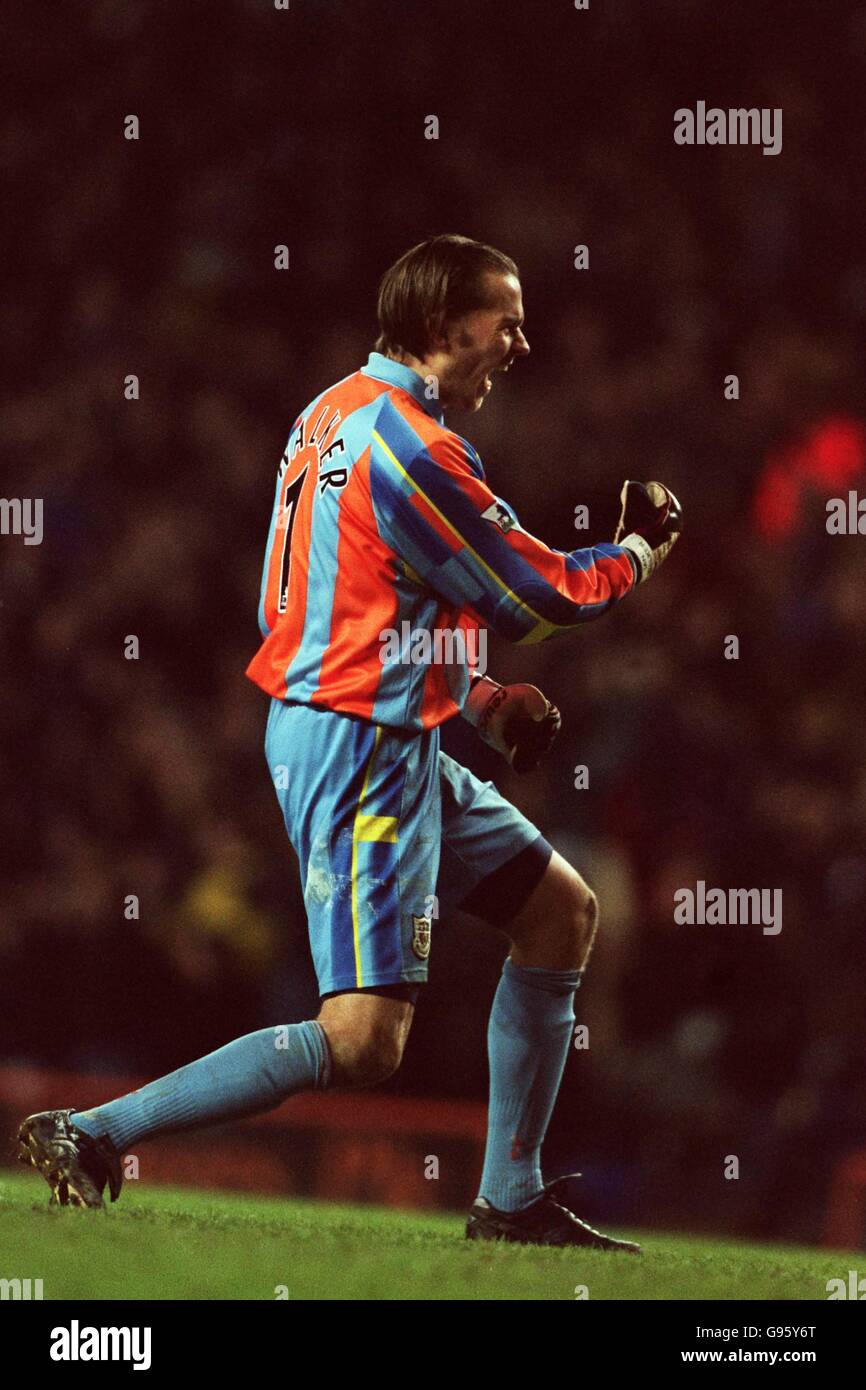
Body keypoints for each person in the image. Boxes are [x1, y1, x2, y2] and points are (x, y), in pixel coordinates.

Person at [17, 235, 680, 1248]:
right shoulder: (412, 444)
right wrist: (634, 550)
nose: (520, 339)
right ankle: (95, 1132)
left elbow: (371, 593)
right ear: (444, 324)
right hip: (357, 748)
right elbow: (536, 591)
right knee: (363, 1040)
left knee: (558, 913)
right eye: (504, 319)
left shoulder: (332, 411)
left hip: (381, 730)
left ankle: (509, 1200)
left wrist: (479, 697)